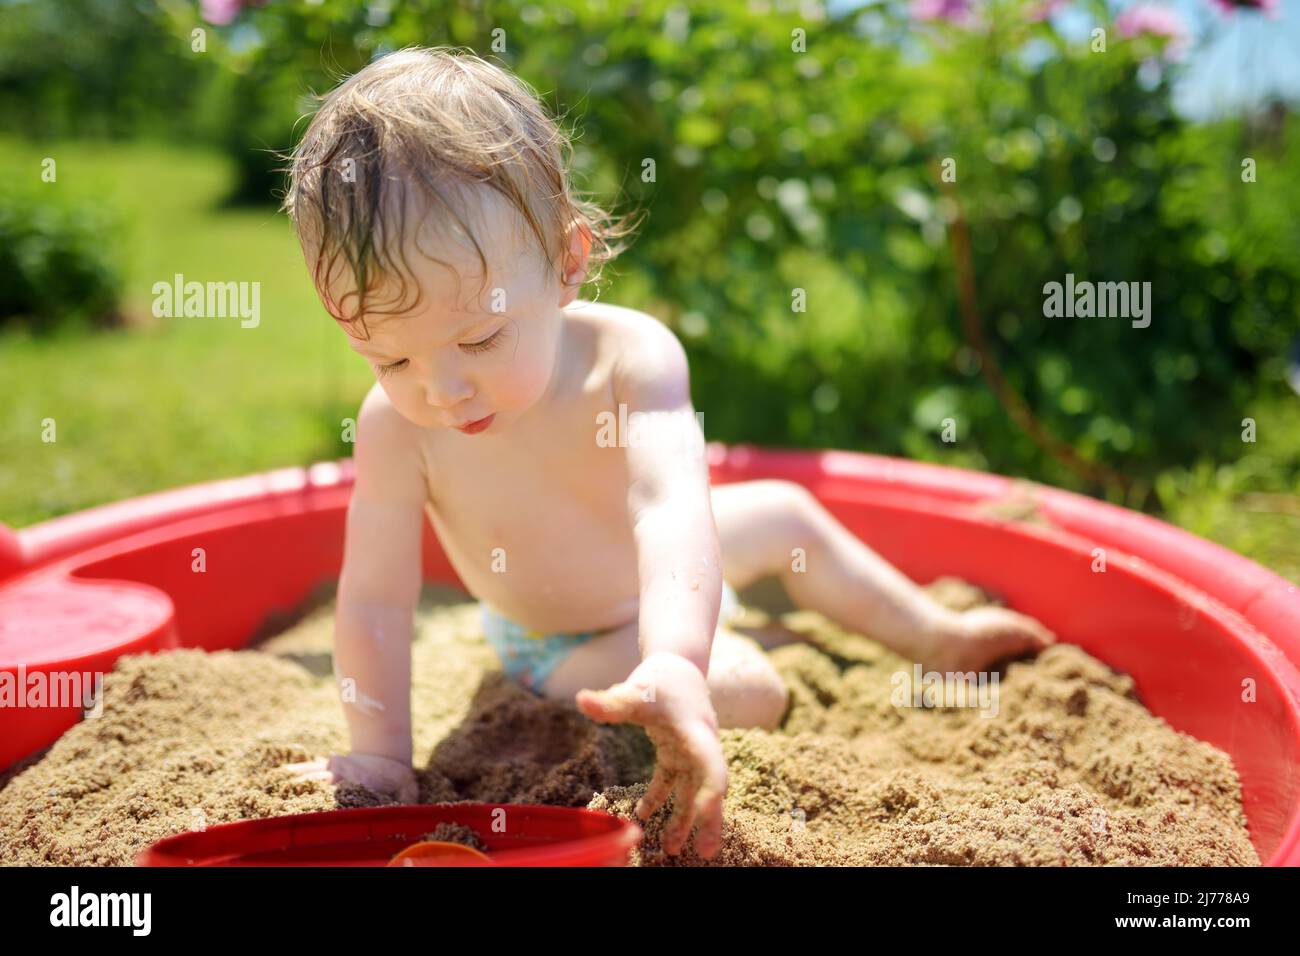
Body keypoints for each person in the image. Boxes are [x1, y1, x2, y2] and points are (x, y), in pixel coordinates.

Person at [279, 46, 1054, 859]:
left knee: (786, 515)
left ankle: (934, 638)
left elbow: (671, 508)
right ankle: (712, 653)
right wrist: (379, 754)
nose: (442, 390)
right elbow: (372, 600)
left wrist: (675, 654)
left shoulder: (632, 359)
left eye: (479, 338)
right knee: (753, 686)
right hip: (559, 640)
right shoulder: (394, 426)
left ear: (566, 262)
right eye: (390, 359)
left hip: (673, 579)